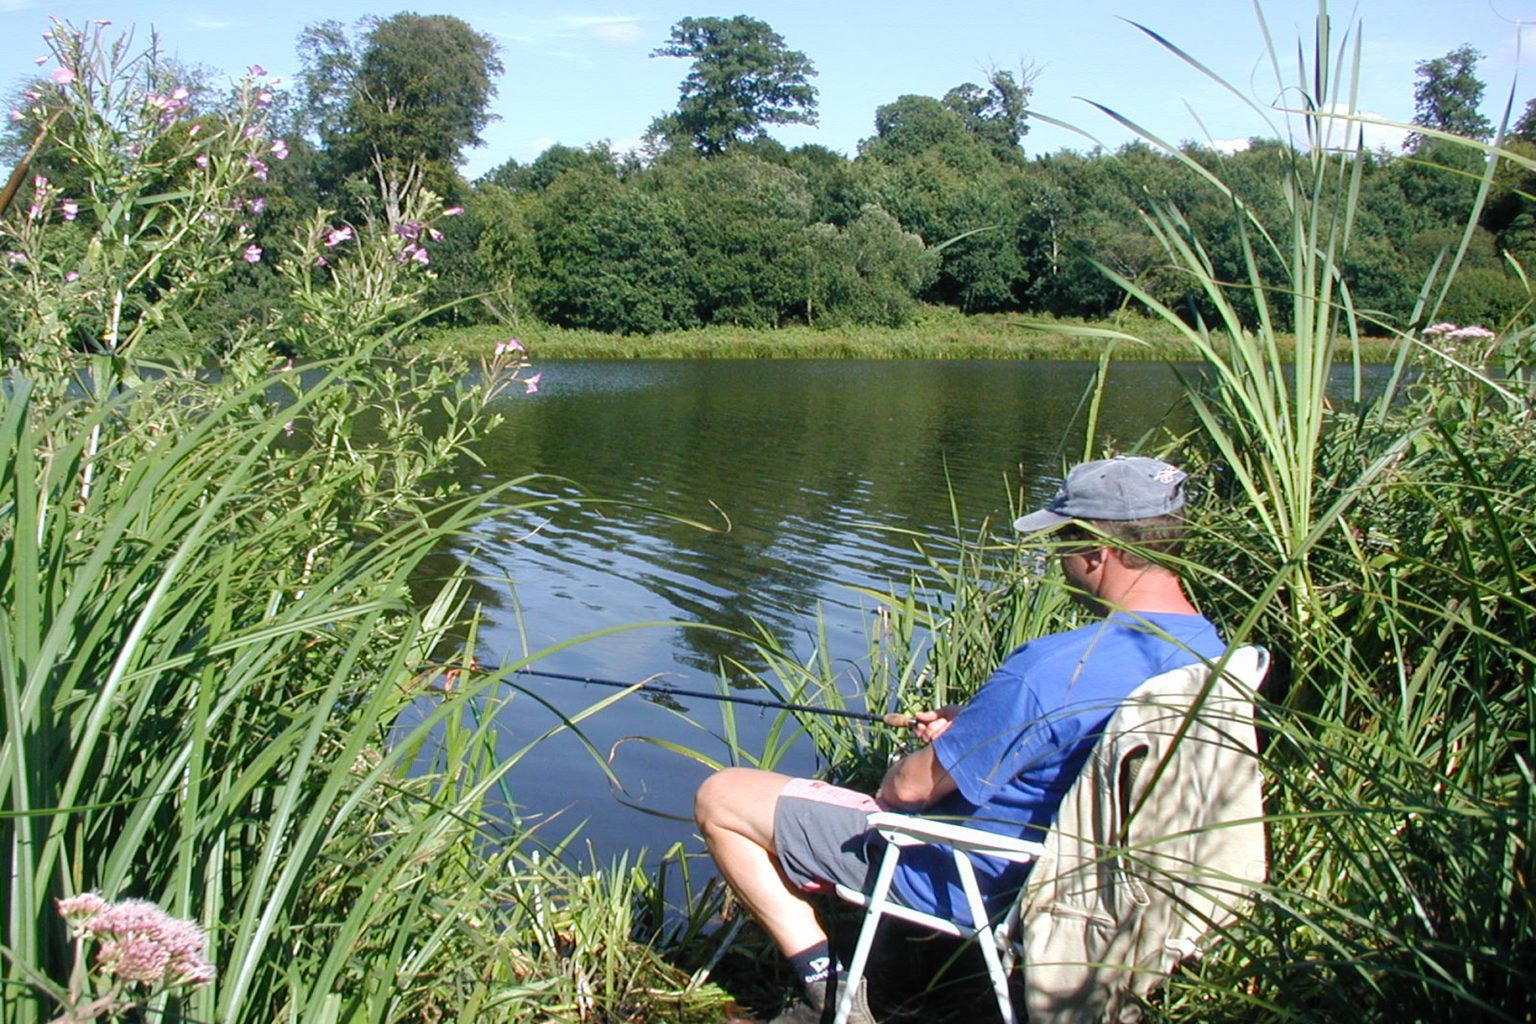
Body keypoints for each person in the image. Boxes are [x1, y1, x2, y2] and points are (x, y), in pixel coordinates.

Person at [693, 456, 1226, 1024]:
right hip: (1110, 885)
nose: (1057, 560)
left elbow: (904, 791)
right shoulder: (1216, 652)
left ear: (1097, 553)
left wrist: (928, 756)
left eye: (1063, 544)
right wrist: (976, 724)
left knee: (723, 797)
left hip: (985, 881)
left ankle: (831, 993)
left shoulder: (1054, 667)